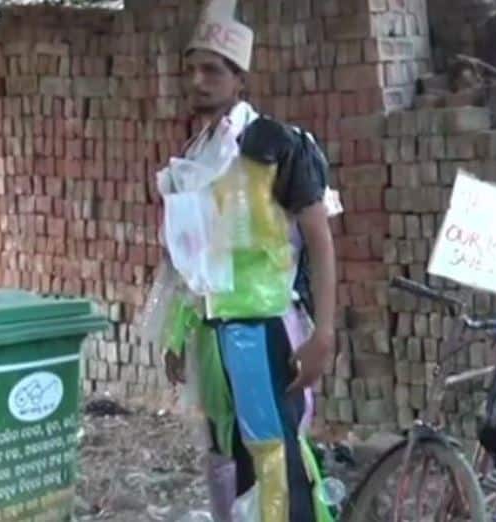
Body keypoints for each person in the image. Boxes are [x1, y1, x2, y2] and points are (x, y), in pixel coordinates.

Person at [155, 1, 338, 520]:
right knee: (225, 456)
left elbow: (320, 242)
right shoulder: (197, 157)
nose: (198, 80)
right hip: (213, 330)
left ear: (239, 79)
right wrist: (176, 331)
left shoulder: (275, 146)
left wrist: (323, 335)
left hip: (264, 329)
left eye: (212, 69)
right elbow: (191, 257)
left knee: (273, 452)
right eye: (192, 69)